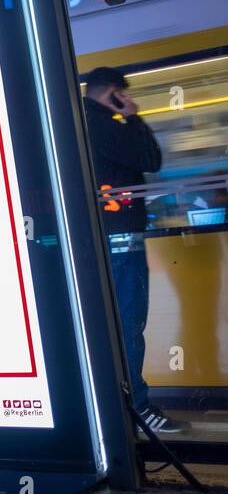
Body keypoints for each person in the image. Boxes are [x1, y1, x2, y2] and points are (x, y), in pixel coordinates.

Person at [81, 66, 186, 435]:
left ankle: (124, 407)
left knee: (120, 324)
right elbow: (151, 160)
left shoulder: (81, 123)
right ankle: (137, 408)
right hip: (121, 241)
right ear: (112, 92)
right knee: (128, 323)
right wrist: (134, 117)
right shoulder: (105, 126)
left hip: (107, 241)